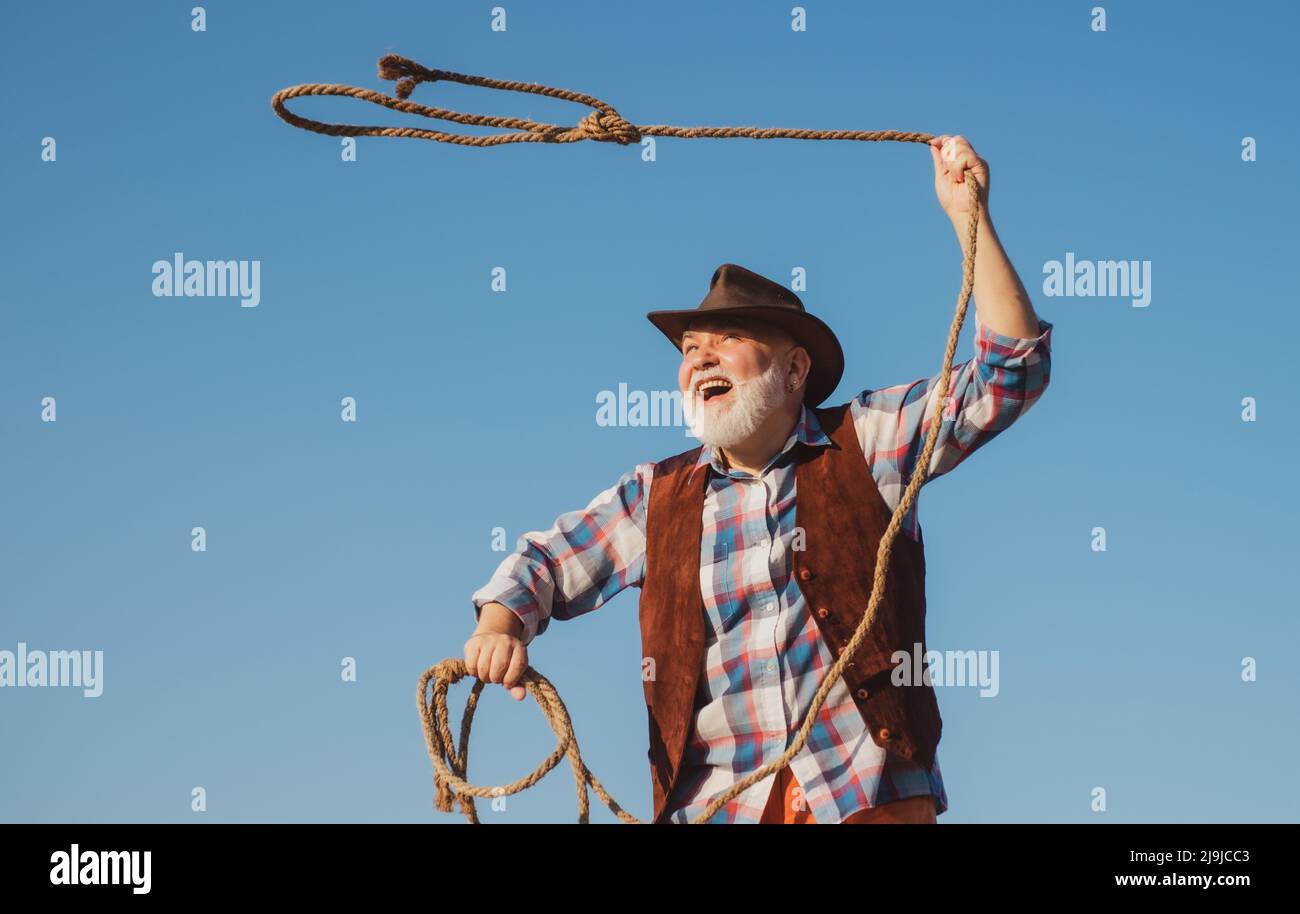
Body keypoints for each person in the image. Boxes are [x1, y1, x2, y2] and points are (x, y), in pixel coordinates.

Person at [465, 135, 1053, 823]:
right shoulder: (654, 499)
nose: (699, 360)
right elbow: (542, 561)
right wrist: (502, 626)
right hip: (718, 809)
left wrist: (968, 216)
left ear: (795, 370)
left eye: (726, 342)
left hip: (865, 801)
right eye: (690, 351)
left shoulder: (866, 443)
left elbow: (1010, 375)